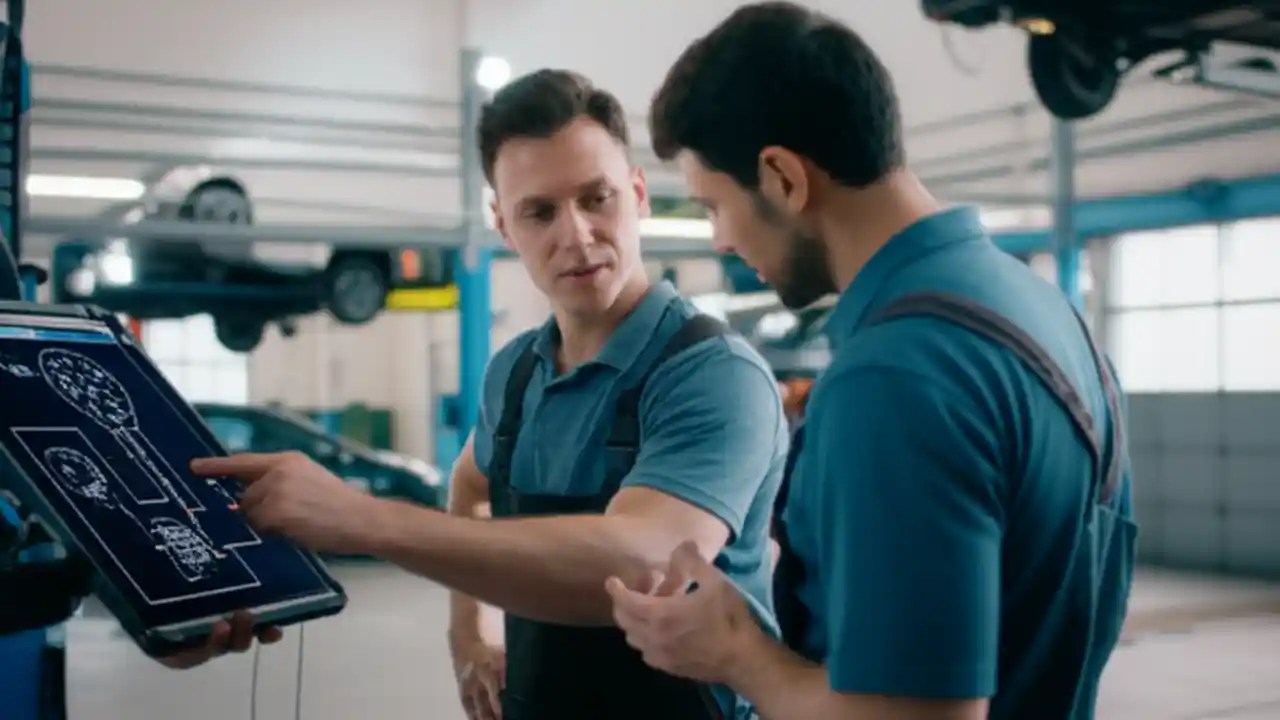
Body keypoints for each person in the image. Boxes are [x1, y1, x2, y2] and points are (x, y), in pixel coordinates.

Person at [188, 68, 788, 720]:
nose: (577, 235)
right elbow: (471, 485)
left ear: (638, 194)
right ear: (504, 225)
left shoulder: (711, 372)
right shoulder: (515, 373)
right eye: (540, 211)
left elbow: (642, 561)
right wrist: (471, 634)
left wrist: (359, 517)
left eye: (597, 198)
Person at [605, 3, 1138, 720]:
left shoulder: (895, 377)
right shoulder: (1043, 312)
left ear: (783, 178)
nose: (721, 240)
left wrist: (736, 651)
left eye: (713, 206)